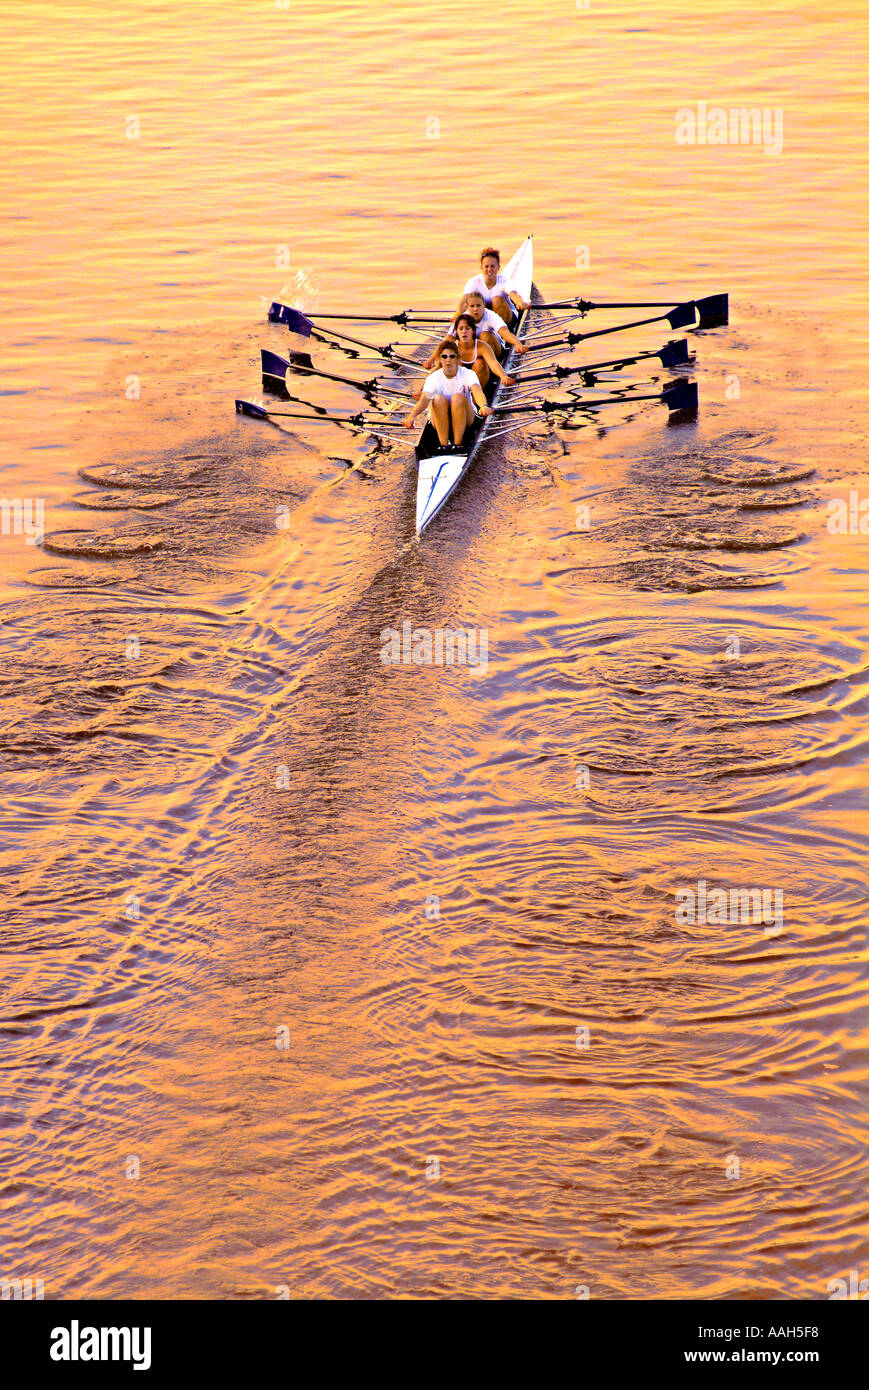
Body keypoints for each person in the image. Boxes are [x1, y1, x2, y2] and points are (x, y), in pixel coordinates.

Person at [403, 340, 491, 452]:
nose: (448, 360)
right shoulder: (433, 378)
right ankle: (443, 445)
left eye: (452, 356)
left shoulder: (468, 374)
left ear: (458, 358)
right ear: (439, 359)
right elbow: (424, 400)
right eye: (444, 356)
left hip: (466, 418)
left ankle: (457, 445)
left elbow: (477, 391)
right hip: (439, 420)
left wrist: (483, 405)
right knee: (438, 399)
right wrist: (412, 416)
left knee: (457, 398)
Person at [423, 292, 527, 368]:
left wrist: (518, 344)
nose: (475, 309)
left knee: (485, 335)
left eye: (478, 306)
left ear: (484, 306)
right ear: (467, 308)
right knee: (449, 354)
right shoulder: (462, 320)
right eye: (472, 306)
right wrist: (431, 360)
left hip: (494, 352)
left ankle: (491, 369)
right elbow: (447, 342)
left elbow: (505, 333)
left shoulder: (491, 316)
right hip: (470, 355)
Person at [456, 246, 530, 326]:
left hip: (507, 319)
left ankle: (502, 333)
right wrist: (457, 315)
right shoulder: (473, 282)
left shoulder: (505, 281)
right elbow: (463, 302)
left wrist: (520, 302)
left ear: (498, 267)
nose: (489, 269)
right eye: (486, 266)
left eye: (492, 266)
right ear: (481, 267)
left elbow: (514, 295)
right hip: (484, 318)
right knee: (477, 303)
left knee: (497, 300)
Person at [453, 313, 517, 391]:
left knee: (480, 363)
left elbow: (493, 363)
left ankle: (475, 398)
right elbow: (439, 367)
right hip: (460, 386)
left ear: (473, 331)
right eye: (461, 329)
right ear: (456, 331)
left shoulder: (483, 346)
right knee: (454, 363)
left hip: (482, 382)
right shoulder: (451, 347)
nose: (464, 332)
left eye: (467, 328)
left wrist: (503, 376)